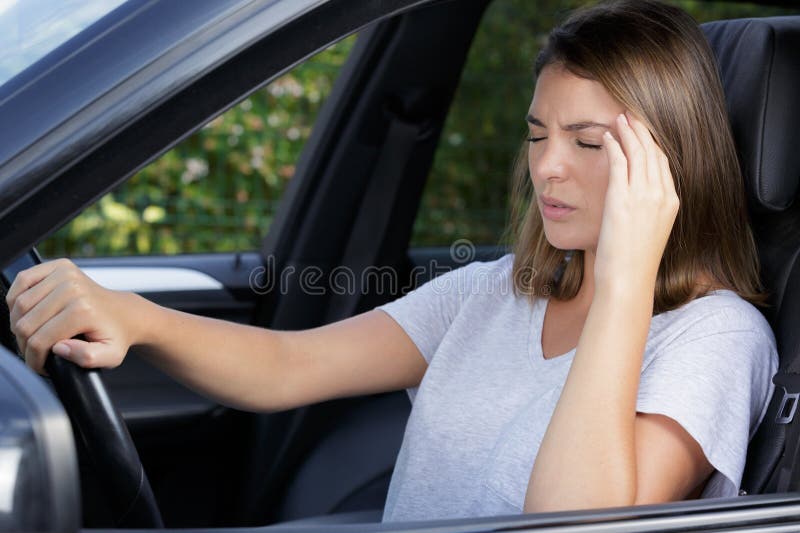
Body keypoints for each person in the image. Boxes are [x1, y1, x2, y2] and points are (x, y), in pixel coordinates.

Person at [5, 0, 778, 523]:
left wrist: (625, 281)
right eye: (538, 133)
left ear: (667, 163)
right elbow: (285, 368)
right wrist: (134, 317)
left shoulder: (716, 337)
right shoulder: (494, 292)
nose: (546, 167)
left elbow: (572, 522)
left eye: (586, 142)